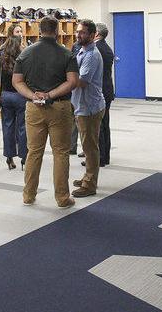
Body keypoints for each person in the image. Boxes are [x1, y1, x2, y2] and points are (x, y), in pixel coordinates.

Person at [12, 17, 78, 208]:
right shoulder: (66, 54)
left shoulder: (25, 54)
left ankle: (28, 195)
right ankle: (62, 198)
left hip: (34, 109)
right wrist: (49, 95)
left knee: (34, 152)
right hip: (60, 108)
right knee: (61, 153)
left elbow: (17, 81)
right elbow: (72, 81)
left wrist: (34, 96)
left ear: (39, 30)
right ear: (56, 31)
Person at [69, 20, 106, 198]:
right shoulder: (82, 51)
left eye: (82, 33)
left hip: (90, 107)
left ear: (92, 35)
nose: (78, 35)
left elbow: (81, 81)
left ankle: (90, 184)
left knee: (90, 147)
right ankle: (87, 177)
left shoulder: (92, 55)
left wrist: (65, 79)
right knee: (87, 144)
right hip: (82, 105)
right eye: (78, 32)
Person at [0, 30, 27, 170]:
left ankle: (9, 157)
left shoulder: (2, 56)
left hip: (6, 95)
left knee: (8, 127)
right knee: (22, 127)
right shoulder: (23, 57)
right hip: (21, 96)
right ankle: (24, 157)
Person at [94, 23, 114, 167]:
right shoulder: (106, 48)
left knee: (98, 126)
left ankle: (100, 157)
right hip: (107, 89)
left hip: (99, 90)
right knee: (105, 124)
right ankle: (105, 155)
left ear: (96, 33)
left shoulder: (96, 49)